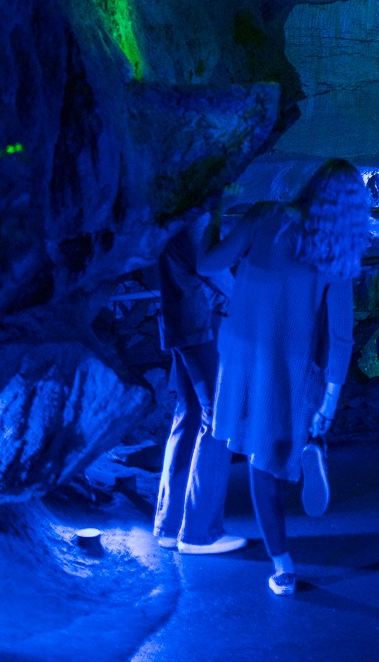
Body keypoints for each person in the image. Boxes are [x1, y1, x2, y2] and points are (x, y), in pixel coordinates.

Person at [203, 160, 371, 594]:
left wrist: (214, 216)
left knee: (256, 459)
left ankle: (283, 565)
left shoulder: (264, 215)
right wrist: (330, 401)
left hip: (242, 354)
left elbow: (208, 263)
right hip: (290, 365)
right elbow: (341, 337)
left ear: (311, 184)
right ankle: (310, 441)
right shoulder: (337, 249)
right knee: (273, 454)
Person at [152, 211, 244, 554]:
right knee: (217, 417)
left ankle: (169, 524)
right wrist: (245, 300)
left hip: (179, 320)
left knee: (189, 415)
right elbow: (210, 267)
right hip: (201, 322)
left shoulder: (173, 214)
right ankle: (200, 532)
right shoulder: (195, 217)